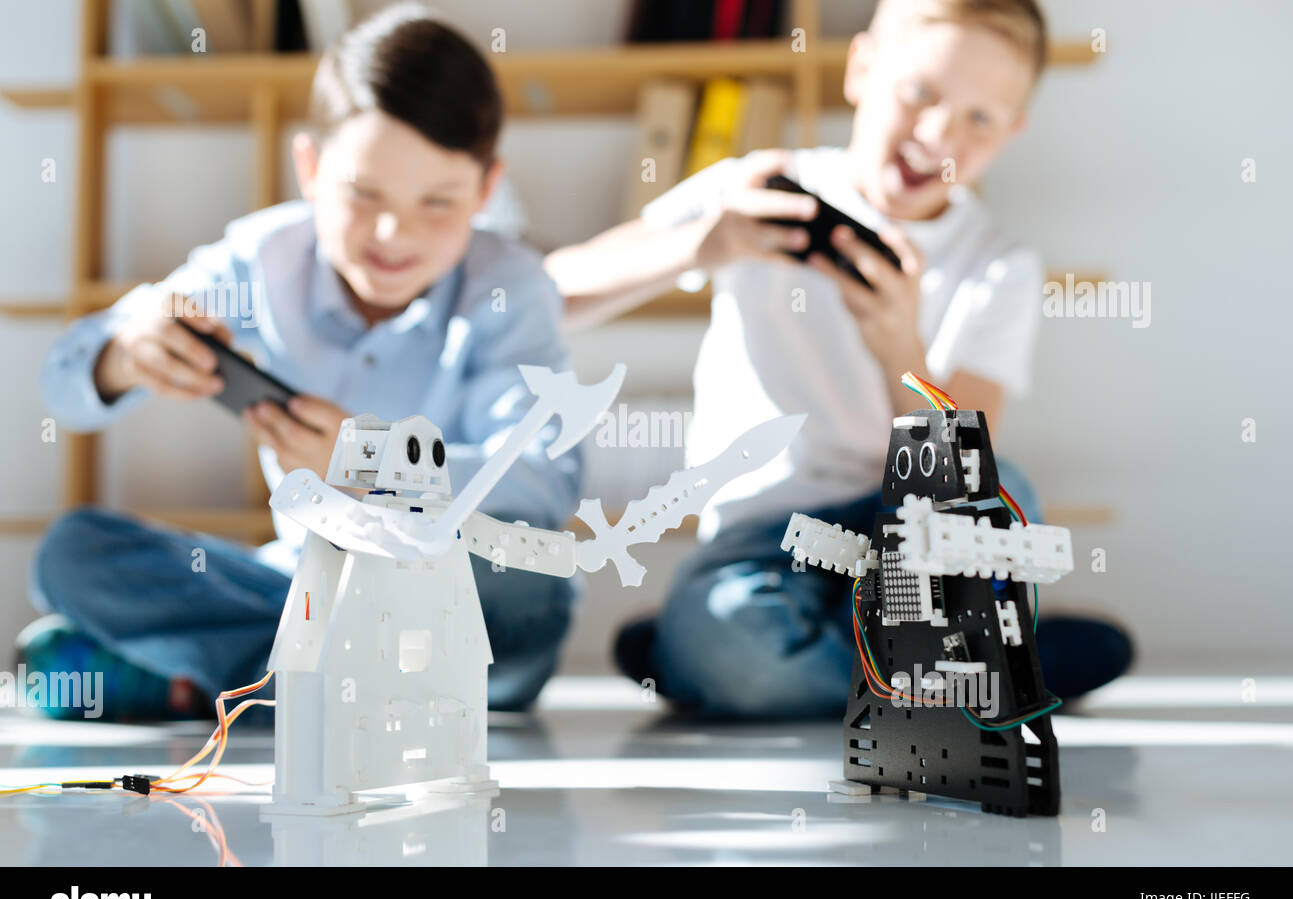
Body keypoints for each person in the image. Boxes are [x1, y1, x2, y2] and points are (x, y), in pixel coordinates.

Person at [545, 0, 1133, 718]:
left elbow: (964, 474)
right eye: (919, 93)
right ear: (861, 70)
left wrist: (898, 347)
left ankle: (716, 662)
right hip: (767, 543)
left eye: (980, 119)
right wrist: (703, 243)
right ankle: (979, 669)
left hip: (905, 536)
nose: (938, 134)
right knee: (738, 636)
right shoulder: (758, 190)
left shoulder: (998, 266)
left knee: (1000, 493)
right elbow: (554, 292)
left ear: (1012, 132)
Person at [21, 5, 579, 720]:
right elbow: (63, 386)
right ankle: (318, 688)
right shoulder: (262, 257)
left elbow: (542, 488)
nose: (392, 232)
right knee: (73, 551)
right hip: (305, 586)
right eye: (363, 192)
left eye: (437, 202)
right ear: (310, 168)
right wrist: (124, 354)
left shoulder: (515, 285)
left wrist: (377, 465)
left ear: (486, 190)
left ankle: (207, 678)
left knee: (524, 587)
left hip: (450, 589)